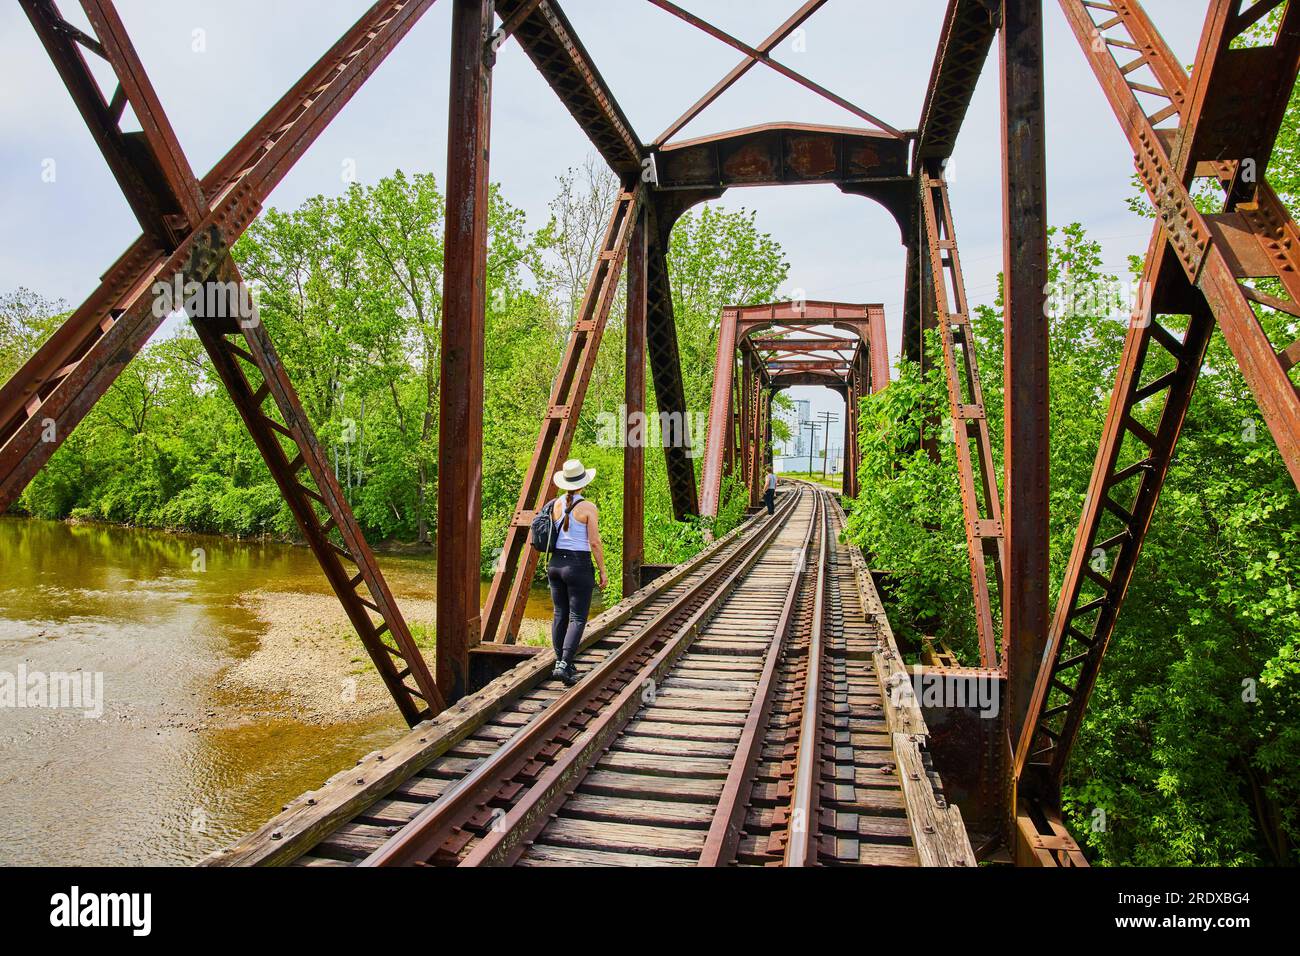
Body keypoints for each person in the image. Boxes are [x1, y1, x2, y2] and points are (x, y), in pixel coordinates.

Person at [546, 458, 608, 686]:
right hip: (578, 566)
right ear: (583, 483)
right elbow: (594, 542)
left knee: (559, 614)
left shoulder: (555, 504)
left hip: (555, 565)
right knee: (578, 616)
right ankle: (564, 664)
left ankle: (562, 662)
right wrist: (602, 570)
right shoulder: (588, 507)